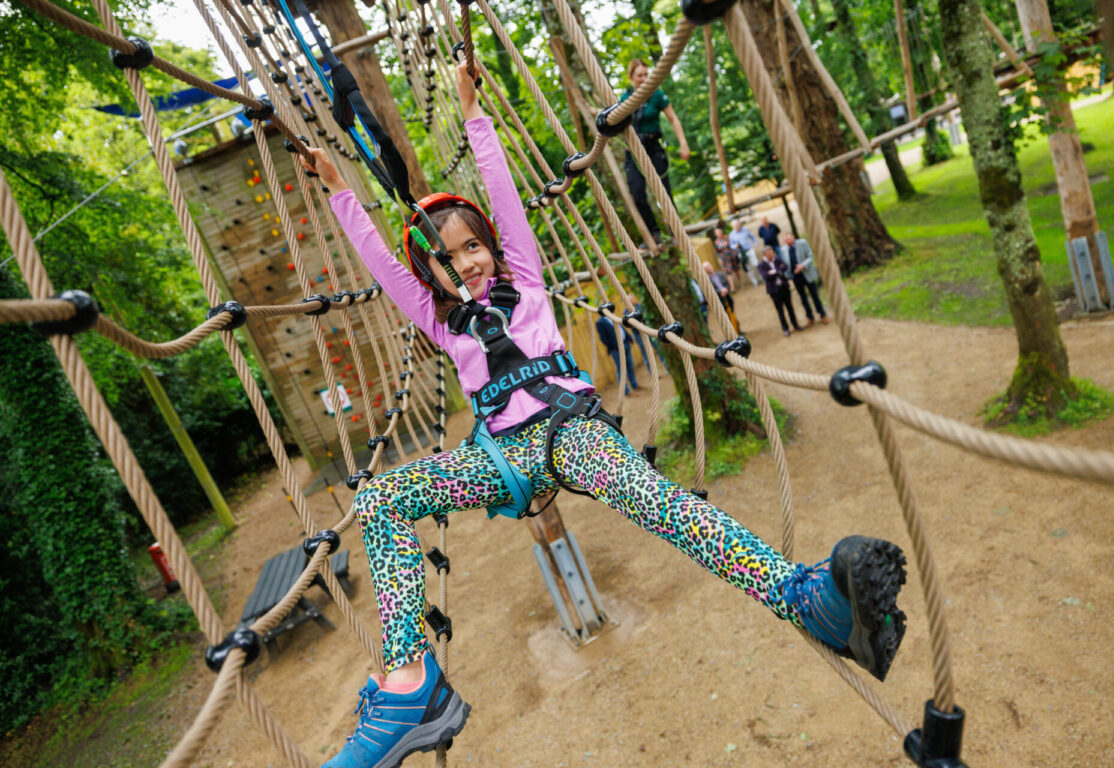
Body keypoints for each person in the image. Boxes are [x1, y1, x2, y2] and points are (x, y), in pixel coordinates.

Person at [303, 63, 907, 768]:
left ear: (493, 248)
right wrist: (345, 194)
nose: (465, 263)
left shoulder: (523, 283)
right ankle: (408, 682)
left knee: (662, 505)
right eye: (448, 258)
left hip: (570, 435)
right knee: (381, 496)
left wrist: (474, 115)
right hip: (499, 459)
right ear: (429, 274)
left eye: (474, 246)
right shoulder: (441, 325)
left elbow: (504, 197)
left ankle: (803, 596)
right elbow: (382, 264)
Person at [620, 59, 690, 244]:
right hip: (634, 152)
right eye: (639, 75)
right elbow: (614, 115)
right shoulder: (625, 98)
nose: (644, 78)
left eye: (646, 74)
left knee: (664, 192)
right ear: (631, 78)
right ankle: (654, 233)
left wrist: (683, 143)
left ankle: (675, 231)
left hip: (653, 147)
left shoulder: (657, 95)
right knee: (638, 194)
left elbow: (673, 118)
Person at [779, 232, 828, 325]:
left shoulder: (802, 243)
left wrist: (802, 265)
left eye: (790, 239)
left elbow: (810, 257)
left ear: (793, 237)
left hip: (807, 273)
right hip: (796, 277)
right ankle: (810, 317)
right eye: (786, 240)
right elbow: (785, 263)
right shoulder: (783, 250)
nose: (788, 241)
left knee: (814, 295)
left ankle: (822, 314)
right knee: (803, 298)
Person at [758, 249, 802, 337]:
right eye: (769, 254)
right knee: (780, 311)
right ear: (765, 255)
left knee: (790, 307)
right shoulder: (761, 265)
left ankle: (795, 324)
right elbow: (766, 276)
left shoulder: (777, 259)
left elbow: (785, 266)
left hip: (784, 288)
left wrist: (773, 272)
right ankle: (785, 328)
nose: (771, 256)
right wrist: (778, 271)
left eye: (772, 253)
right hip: (774, 291)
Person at [595, 314, 640, 395]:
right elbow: (603, 339)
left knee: (630, 365)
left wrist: (628, 337)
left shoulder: (613, 317)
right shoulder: (600, 322)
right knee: (621, 370)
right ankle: (626, 391)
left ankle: (635, 385)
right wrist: (616, 346)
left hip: (625, 344)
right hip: (616, 350)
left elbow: (621, 328)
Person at [702, 261, 740, 333]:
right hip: (719, 301)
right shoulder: (706, 280)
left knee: (732, 313)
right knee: (725, 317)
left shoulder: (720, 274)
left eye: (709, 266)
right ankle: (731, 332)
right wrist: (720, 292)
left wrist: (726, 289)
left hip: (727, 296)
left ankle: (738, 330)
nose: (709, 269)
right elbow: (710, 291)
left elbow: (727, 283)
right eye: (707, 268)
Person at [728, 218, 761, 287]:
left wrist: (755, 243)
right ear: (733, 226)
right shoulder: (731, 235)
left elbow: (752, 236)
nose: (737, 226)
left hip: (750, 249)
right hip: (741, 253)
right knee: (749, 268)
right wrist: (735, 246)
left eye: (738, 224)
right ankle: (755, 282)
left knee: (755, 264)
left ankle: (760, 278)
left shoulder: (745, 229)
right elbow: (731, 245)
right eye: (735, 225)